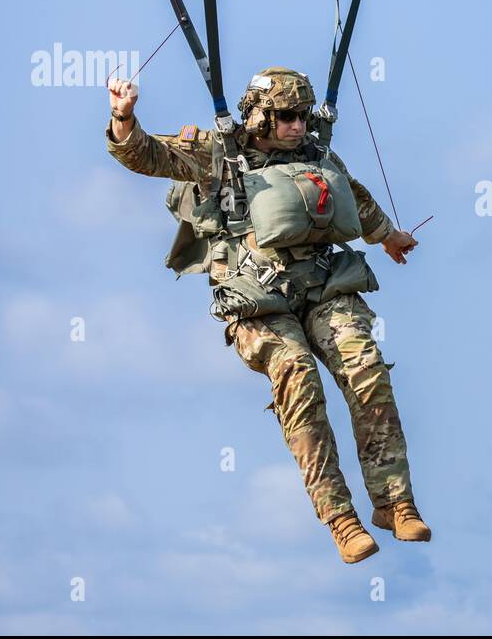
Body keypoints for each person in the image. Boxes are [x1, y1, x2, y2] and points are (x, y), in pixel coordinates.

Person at [105, 65, 429, 564]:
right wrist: (124, 118)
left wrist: (388, 235)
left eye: (301, 115)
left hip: (323, 285)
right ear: (260, 116)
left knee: (365, 367)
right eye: (285, 117)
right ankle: (340, 517)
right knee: (297, 374)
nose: (297, 125)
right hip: (258, 298)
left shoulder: (318, 154)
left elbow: (353, 196)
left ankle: (395, 503)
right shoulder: (220, 153)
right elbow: (149, 155)